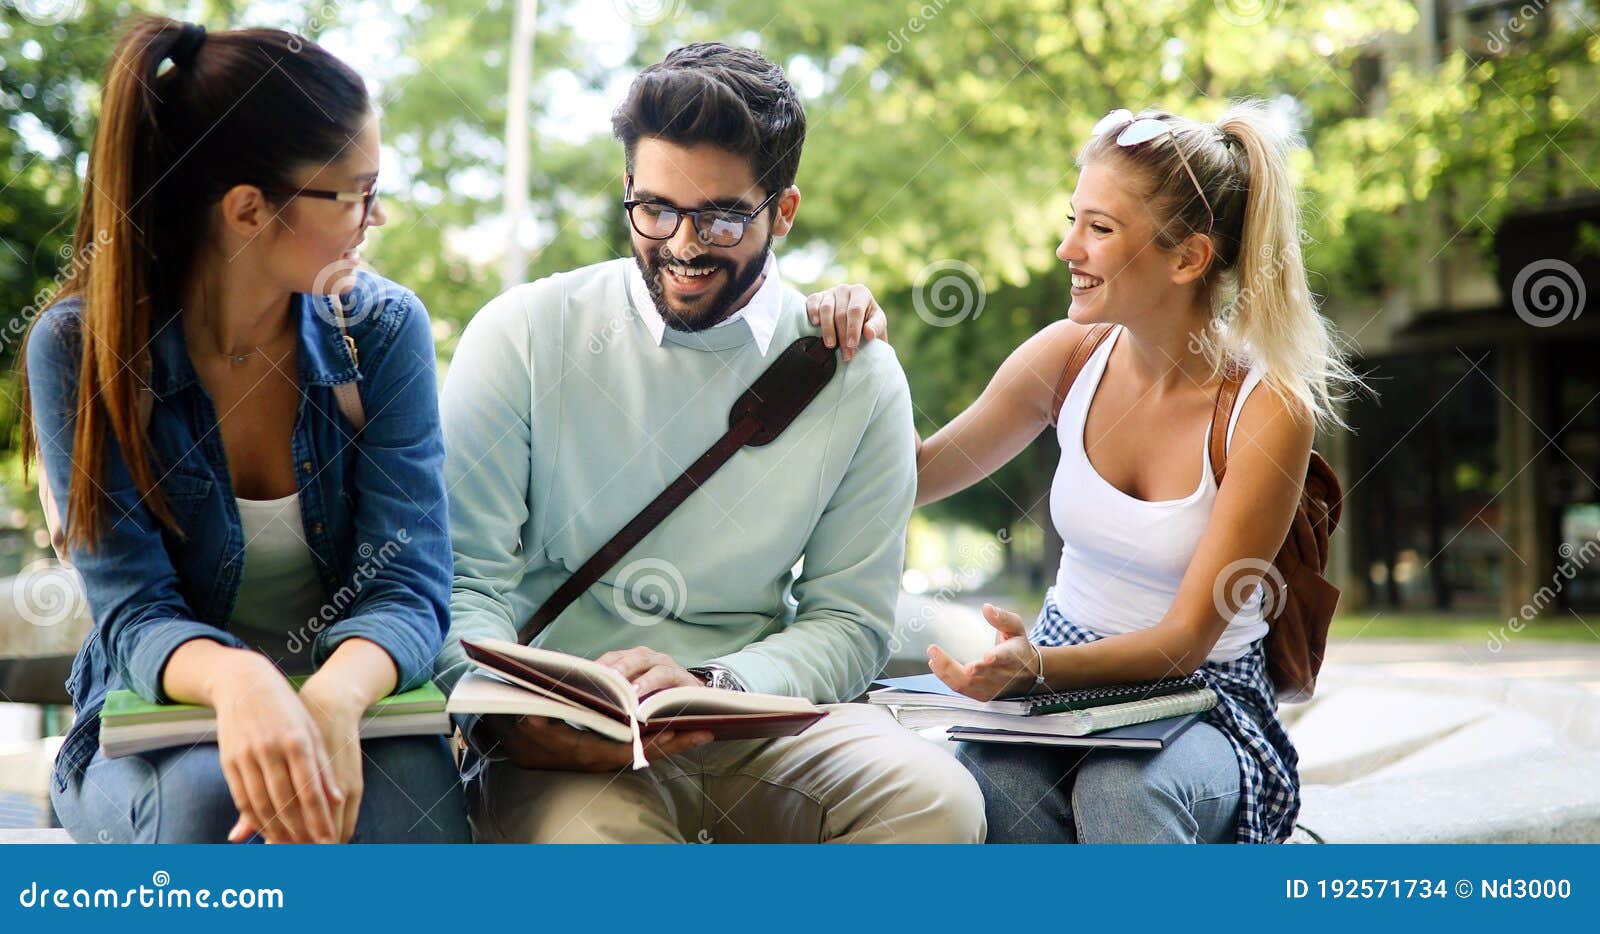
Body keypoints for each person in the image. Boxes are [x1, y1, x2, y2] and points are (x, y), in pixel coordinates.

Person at [434, 42, 985, 844]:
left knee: (937, 800)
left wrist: (717, 683)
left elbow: (850, 620)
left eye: (723, 217)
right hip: (560, 742)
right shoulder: (521, 333)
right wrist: (508, 723)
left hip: (758, 718)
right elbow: (460, 583)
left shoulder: (855, 374)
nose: (684, 246)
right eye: (655, 209)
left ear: (783, 212)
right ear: (628, 189)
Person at [814, 103, 1359, 843]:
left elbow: (1184, 642)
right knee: (991, 783)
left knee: (1121, 792)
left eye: (1100, 229)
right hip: (1060, 673)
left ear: (1187, 258)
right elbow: (912, 474)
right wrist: (865, 350)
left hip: (1203, 696)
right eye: (1074, 219)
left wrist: (1036, 666)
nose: (1069, 248)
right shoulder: (1068, 355)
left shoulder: (1266, 410)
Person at [23, 17, 469, 844]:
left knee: (411, 800)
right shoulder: (82, 351)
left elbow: (409, 584)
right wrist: (240, 683)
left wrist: (329, 701)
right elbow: (134, 611)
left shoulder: (383, 330)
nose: (374, 217)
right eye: (356, 194)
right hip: (157, 728)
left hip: (356, 700)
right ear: (249, 210)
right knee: (213, 805)